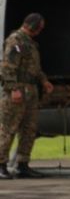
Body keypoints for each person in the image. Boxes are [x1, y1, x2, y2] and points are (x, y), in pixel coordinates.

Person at [0, 13, 53, 179]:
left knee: (29, 128)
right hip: (18, 90)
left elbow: (34, 68)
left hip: (31, 90)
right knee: (8, 128)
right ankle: (1, 164)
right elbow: (7, 67)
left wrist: (44, 81)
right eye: (40, 27)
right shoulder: (15, 40)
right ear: (32, 25)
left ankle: (23, 164)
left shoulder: (30, 43)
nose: (40, 31)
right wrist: (13, 88)